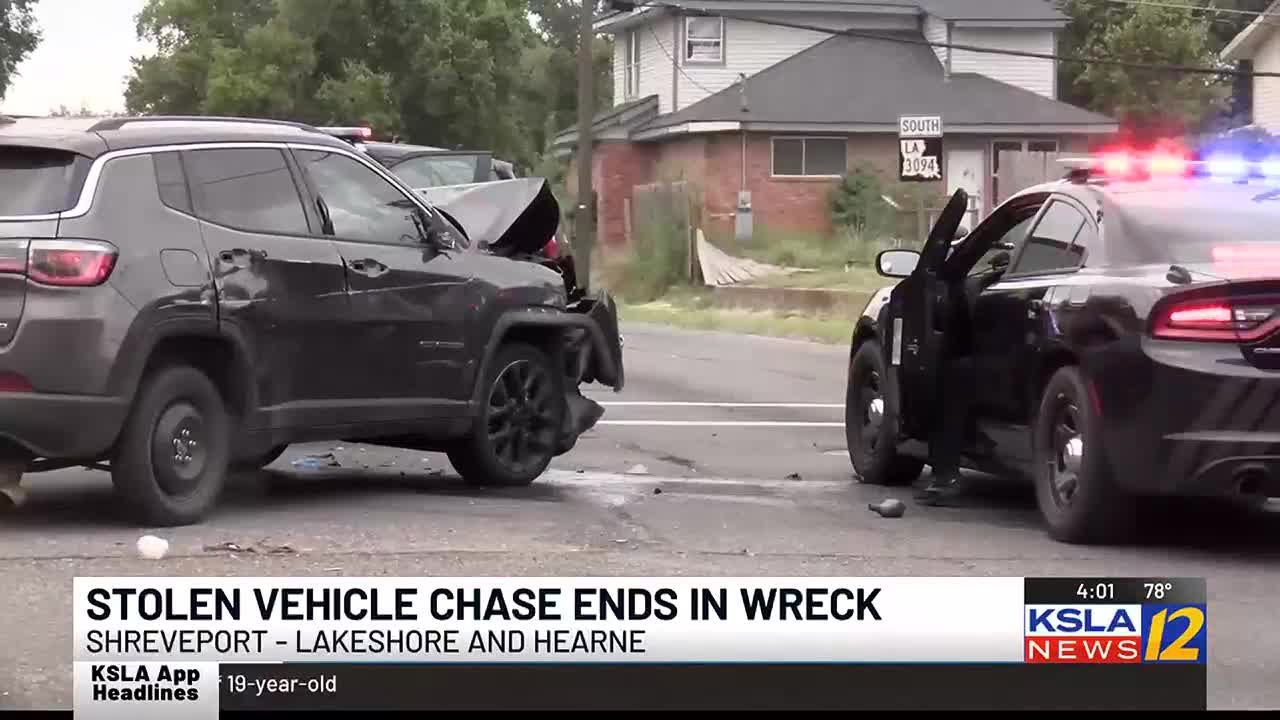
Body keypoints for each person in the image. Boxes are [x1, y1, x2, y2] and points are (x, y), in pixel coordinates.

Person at [915, 281, 977, 506]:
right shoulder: (973, 287)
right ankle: (944, 475)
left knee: (949, 386)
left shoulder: (961, 286)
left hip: (974, 364)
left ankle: (946, 478)